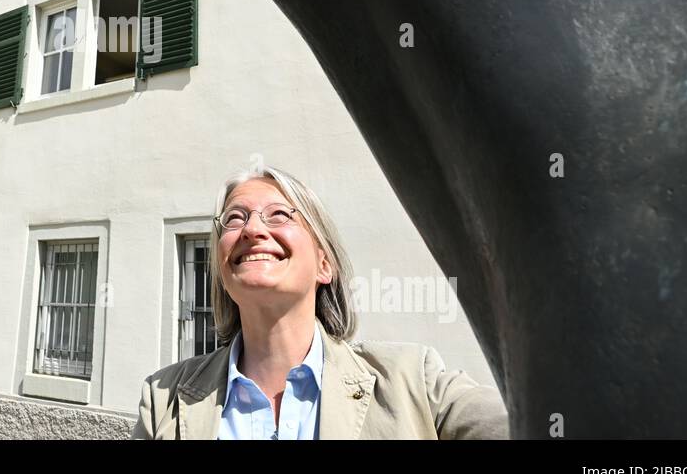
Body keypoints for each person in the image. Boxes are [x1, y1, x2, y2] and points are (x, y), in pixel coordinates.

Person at [132, 165, 509, 439]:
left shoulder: (415, 383)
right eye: (234, 218)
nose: (252, 229)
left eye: (279, 214)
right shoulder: (163, 399)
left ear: (324, 264)